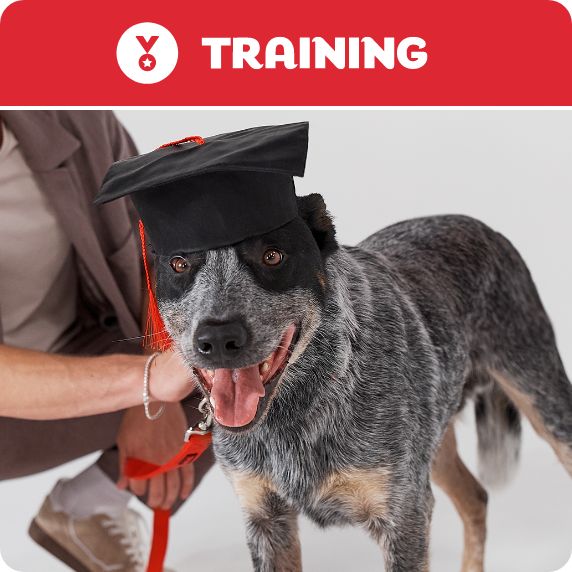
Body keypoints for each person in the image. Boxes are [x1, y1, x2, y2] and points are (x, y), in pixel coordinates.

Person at [0, 111, 214, 572]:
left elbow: (157, 243)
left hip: (84, 346)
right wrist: (148, 384)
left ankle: (86, 512)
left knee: (244, 350)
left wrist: (152, 396)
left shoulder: (73, 118)